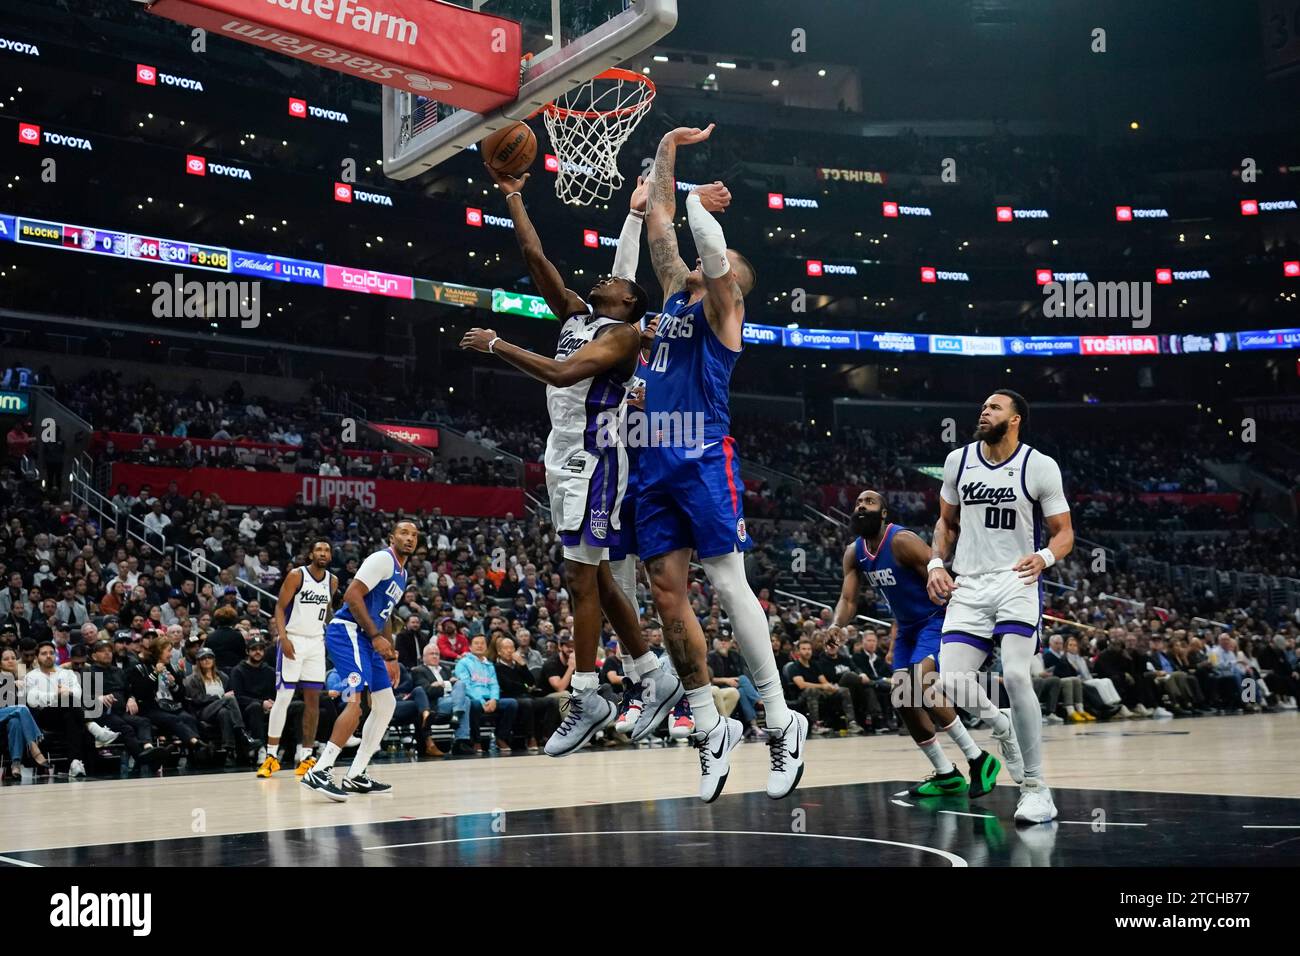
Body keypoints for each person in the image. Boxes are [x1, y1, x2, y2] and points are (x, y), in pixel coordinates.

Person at [461, 164, 679, 758]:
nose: (608, 276)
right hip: (563, 455)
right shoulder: (580, 315)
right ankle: (651, 670)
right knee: (599, 577)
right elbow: (536, 258)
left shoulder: (623, 336)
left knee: (581, 577)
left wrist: (497, 345)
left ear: (630, 303)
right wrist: (512, 196)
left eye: (618, 280)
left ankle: (587, 695)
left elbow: (561, 372)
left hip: (597, 456)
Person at [639, 122, 804, 803]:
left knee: (730, 585)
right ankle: (711, 727)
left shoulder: (725, 307)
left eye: (724, 263)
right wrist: (669, 148)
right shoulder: (679, 293)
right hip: (653, 460)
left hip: (704, 454)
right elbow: (657, 218)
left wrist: (702, 206)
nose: (713, 265)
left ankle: (779, 718)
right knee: (666, 594)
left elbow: (704, 246)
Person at [928, 390, 1074, 824]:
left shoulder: (1039, 465)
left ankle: (1035, 788)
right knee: (951, 681)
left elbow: (1063, 532)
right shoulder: (958, 460)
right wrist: (937, 562)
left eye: (994, 407)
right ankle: (1001, 725)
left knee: (1013, 673)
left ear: (1015, 420)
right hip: (969, 583)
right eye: (983, 406)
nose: (984, 411)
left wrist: (1045, 557)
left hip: (1016, 579)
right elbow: (946, 523)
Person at [834, 489, 1001, 796]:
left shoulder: (901, 541)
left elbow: (942, 578)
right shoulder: (853, 552)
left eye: (869, 502)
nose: (861, 506)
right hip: (908, 628)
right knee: (903, 698)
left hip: (936, 619)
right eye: (857, 502)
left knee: (922, 685)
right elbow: (847, 599)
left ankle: (979, 760)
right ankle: (945, 773)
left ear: (884, 513)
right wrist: (835, 626)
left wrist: (975, 622)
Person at [302, 521, 418, 801]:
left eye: (415, 535)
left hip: (369, 639)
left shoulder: (402, 573)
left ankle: (355, 774)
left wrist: (388, 654)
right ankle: (319, 769)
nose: (410, 538)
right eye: (404, 533)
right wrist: (376, 636)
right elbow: (352, 595)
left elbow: (386, 613)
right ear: (391, 537)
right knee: (355, 701)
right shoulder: (382, 559)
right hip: (348, 632)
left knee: (386, 703)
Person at [260, 540, 337, 778]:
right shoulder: (296, 575)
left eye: (326, 550)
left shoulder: (332, 581)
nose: (322, 553)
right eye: (319, 550)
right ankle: (271, 756)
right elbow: (280, 608)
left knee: (313, 702)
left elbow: (326, 612)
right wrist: (282, 637)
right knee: (283, 697)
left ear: (330, 556)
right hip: (293, 639)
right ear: (311, 554)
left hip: (316, 643)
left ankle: (306, 757)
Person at [127, 635, 208, 760]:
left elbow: (181, 694)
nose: (171, 654)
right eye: (168, 651)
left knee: (188, 718)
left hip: (172, 706)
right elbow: (140, 693)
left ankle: (197, 756)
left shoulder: (170, 667)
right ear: (158, 652)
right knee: (173, 719)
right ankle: (196, 744)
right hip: (151, 708)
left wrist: (173, 685)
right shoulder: (141, 668)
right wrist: (155, 674)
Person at [185, 648, 258, 761]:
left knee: (224, 712)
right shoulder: (192, 679)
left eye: (209, 657)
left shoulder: (223, 677)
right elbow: (197, 699)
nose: (207, 660)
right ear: (198, 661)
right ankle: (242, 733)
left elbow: (230, 693)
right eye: (203, 658)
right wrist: (220, 698)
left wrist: (223, 699)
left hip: (221, 710)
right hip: (203, 711)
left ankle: (228, 748)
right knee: (229, 699)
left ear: (214, 660)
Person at [454, 634, 518, 753]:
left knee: (512, 703)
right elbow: (466, 686)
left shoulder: (489, 665)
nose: (480, 646)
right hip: (473, 699)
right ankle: (476, 741)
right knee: (474, 705)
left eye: (482, 643)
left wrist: (494, 699)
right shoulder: (463, 663)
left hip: (490, 699)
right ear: (470, 647)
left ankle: (500, 737)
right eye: (476, 643)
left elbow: (494, 685)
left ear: (486, 647)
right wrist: (483, 701)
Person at [491, 634, 548, 752]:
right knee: (527, 703)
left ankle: (546, 736)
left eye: (512, 648)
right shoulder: (496, 667)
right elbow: (508, 686)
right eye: (506, 648)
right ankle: (531, 738)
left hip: (525, 696)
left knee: (551, 702)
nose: (509, 651)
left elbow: (531, 682)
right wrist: (525, 688)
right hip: (509, 697)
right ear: (499, 652)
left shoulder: (518, 667)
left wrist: (523, 665)